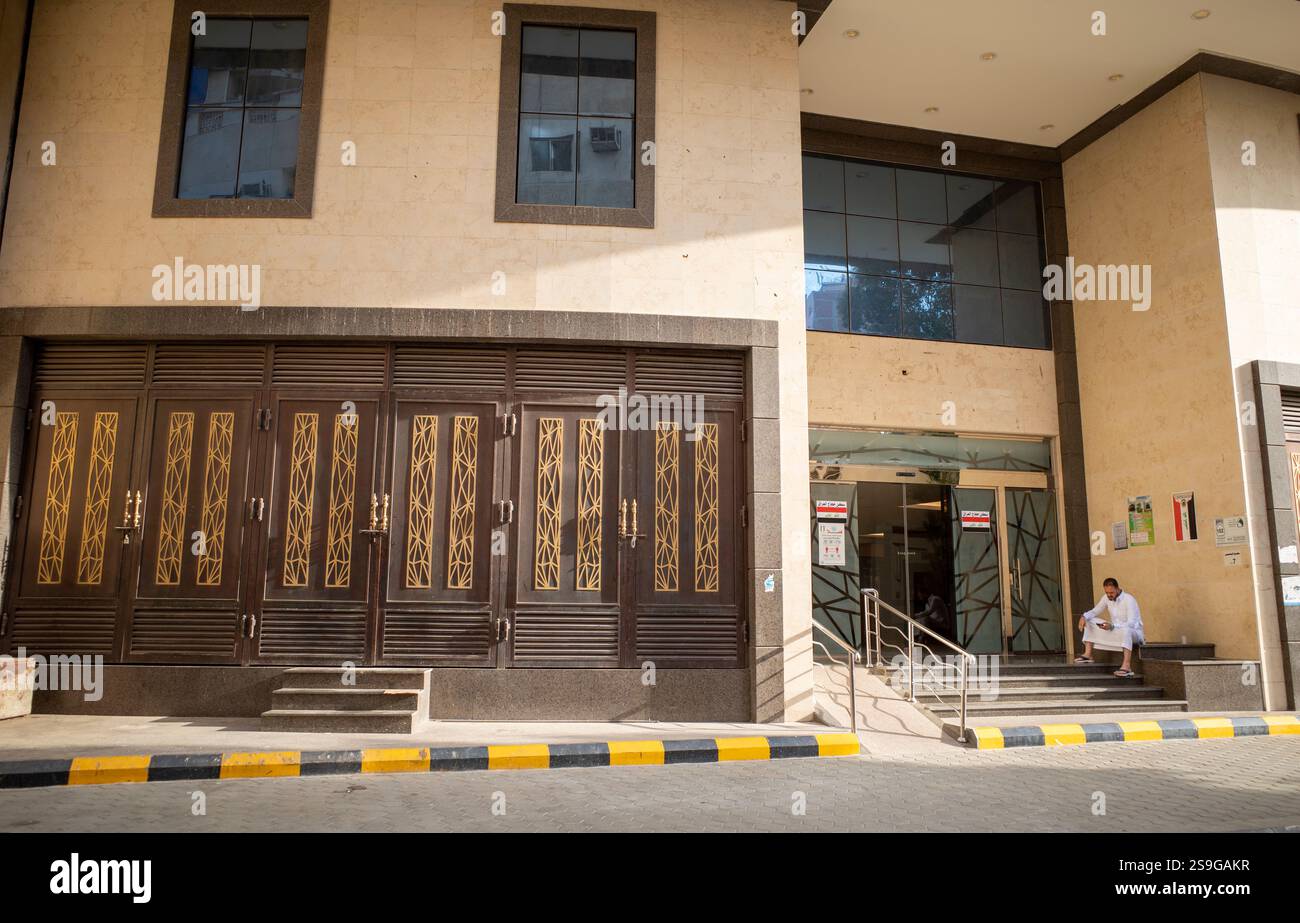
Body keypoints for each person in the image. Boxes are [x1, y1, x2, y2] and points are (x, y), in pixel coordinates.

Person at [1075, 577, 1145, 677]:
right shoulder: (1106, 598)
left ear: (1117, 589)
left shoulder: (1129, 599)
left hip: (1134, 633)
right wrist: (1084, 616)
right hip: (1115, 630)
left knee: (1126, 630)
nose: (1109, 595)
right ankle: (1088, 654)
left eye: (1111, 592)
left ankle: (1127, 666)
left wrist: (1112, 626)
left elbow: (1132, 623)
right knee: (1090, 620)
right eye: (1107, 592)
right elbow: (1095, 611)